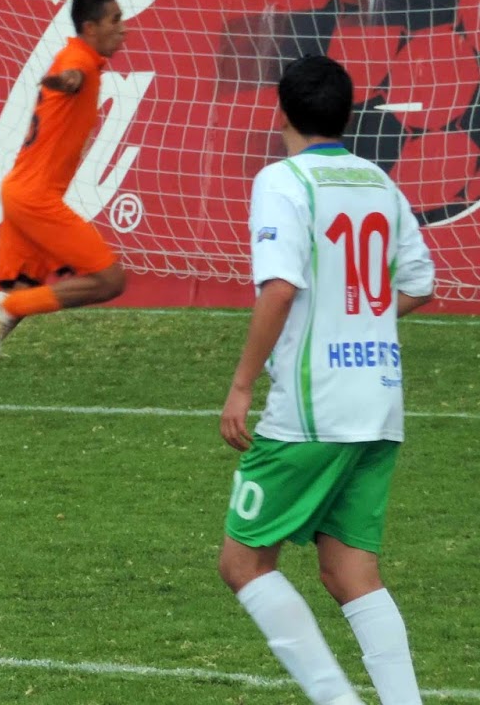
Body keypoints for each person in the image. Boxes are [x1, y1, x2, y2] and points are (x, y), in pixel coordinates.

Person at [217, 55, 433, 705]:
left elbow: (280, 287)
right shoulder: (376, 181)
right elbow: (420, 284)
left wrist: (241, 385)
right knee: (349, 571)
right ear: (347, 113)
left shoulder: (282, 181)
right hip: (379, 403)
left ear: (281, 112)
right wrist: (359, 323)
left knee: (243, 561)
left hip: (313, 407)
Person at [0, 0, 129, 418]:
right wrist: (67, 82)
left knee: (22, 293)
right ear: (89, 27)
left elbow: (69, 78)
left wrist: (66, 80)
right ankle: (5, 307)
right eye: (114, 20)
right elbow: (70, 78)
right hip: (35, 198)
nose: (122, 29)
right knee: (109, 282)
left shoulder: (82, 59)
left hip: (21, 190)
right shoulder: (77, 63)